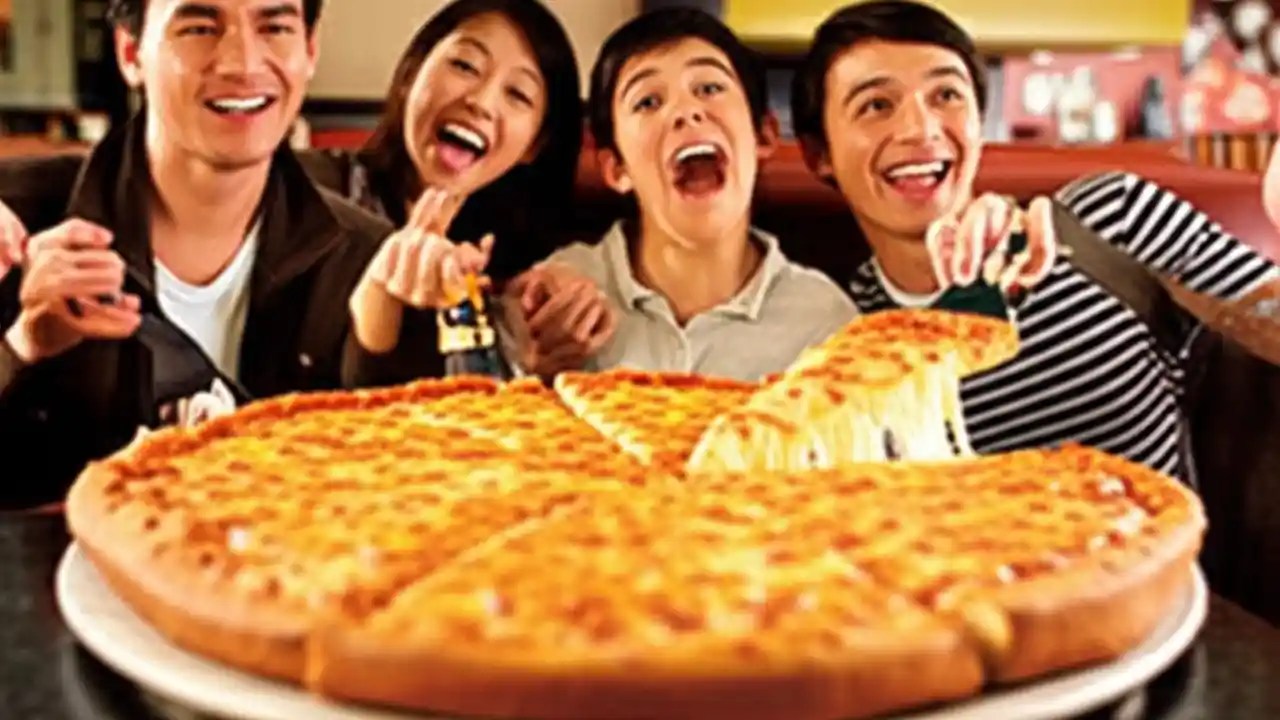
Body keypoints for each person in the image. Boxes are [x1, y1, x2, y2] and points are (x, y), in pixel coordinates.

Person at [790, 0, 1280, 482]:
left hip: (1161, 547)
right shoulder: (836, 329)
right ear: (820, 156)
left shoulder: (1110, 218)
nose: (921, 128)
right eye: (877, 105)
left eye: (947, 96)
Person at [0, 0, 393, 509]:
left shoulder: (368, 262)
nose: (242, 63)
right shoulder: (20, 222)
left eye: (274, 27)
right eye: (199, 27)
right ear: (130, 54)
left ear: (310, 50)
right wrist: (22, 344)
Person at [519, 8, 854, 382]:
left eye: (709, 88)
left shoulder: (827, 325)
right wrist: (542, 373)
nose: (686, 111)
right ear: (616, 168)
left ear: (763, 135)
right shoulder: (556, 293)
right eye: (647, 101)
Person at [302, 0, 613, 382]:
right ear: (409, 77)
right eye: (464, 66)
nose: (480, 102)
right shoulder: (309, 191)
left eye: (517, 95)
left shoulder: (508, 277)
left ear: (535, 144)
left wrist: (544, 362)